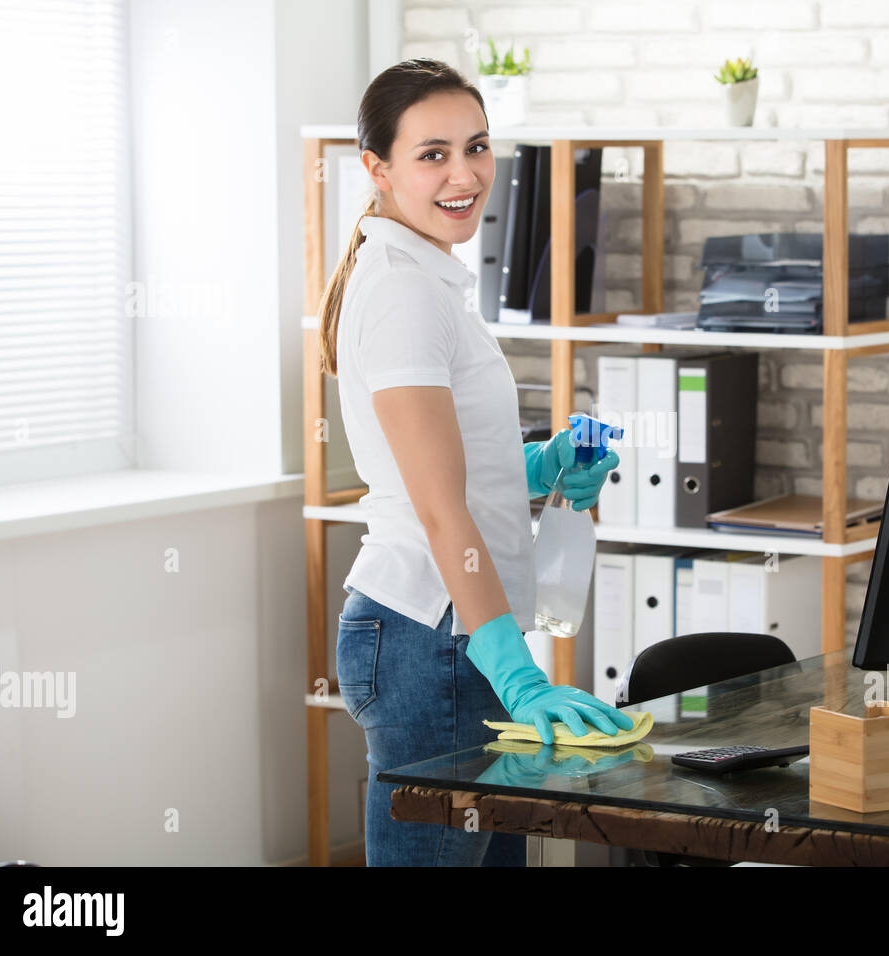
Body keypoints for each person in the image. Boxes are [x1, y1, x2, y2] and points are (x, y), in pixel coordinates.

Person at [316, 58, 633, 867]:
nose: (465, 175)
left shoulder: (429, 281)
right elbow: (435, 507)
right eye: (433, 154)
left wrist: (546, 465)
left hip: (457, 636)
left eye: (478, 147)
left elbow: (449, 469)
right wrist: (516, 673)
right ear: (378, 170)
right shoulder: (401, 294)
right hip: (432, 638)